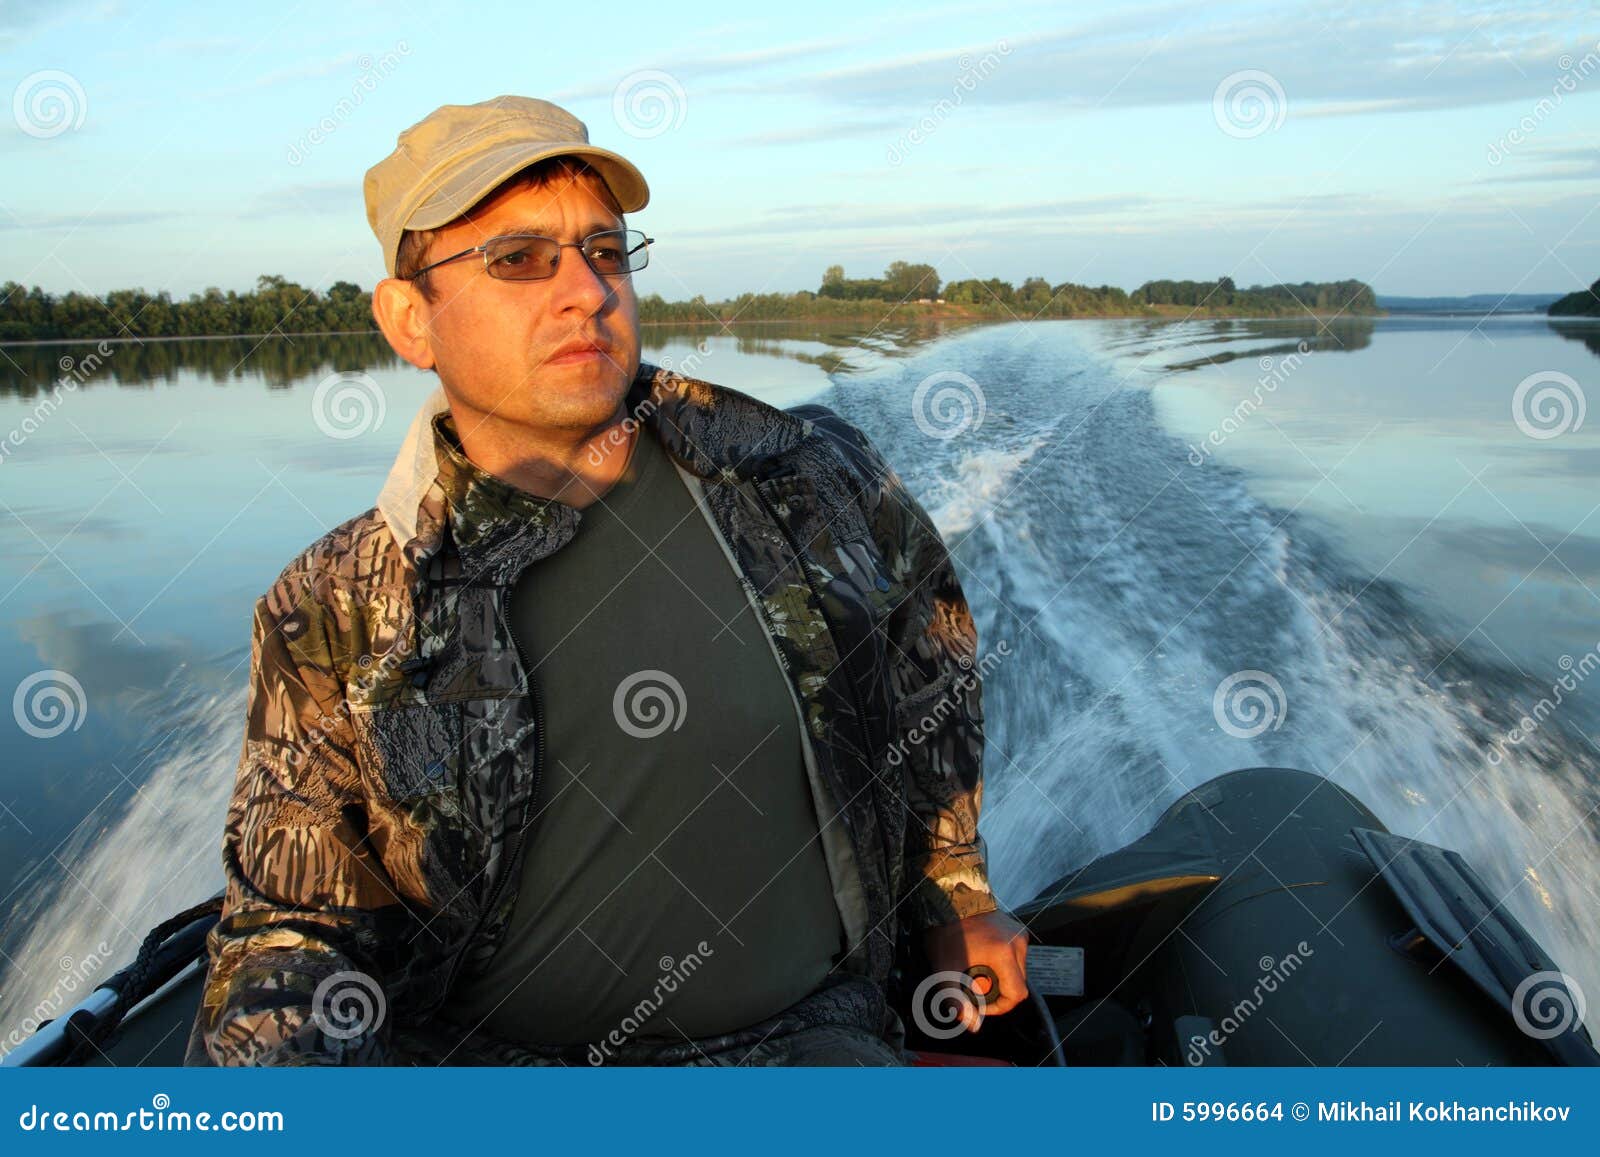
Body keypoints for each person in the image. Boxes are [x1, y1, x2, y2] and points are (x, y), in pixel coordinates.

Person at [186, 95, 1027, 1066]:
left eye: (605, 249)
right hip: (485, 1071)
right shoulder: (332, 604)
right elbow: (294, 921)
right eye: (517, 258)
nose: (585, 290)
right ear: (410, 320)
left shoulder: (801, 478)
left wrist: (956, 896)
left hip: (802, 1043)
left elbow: (929, 661)